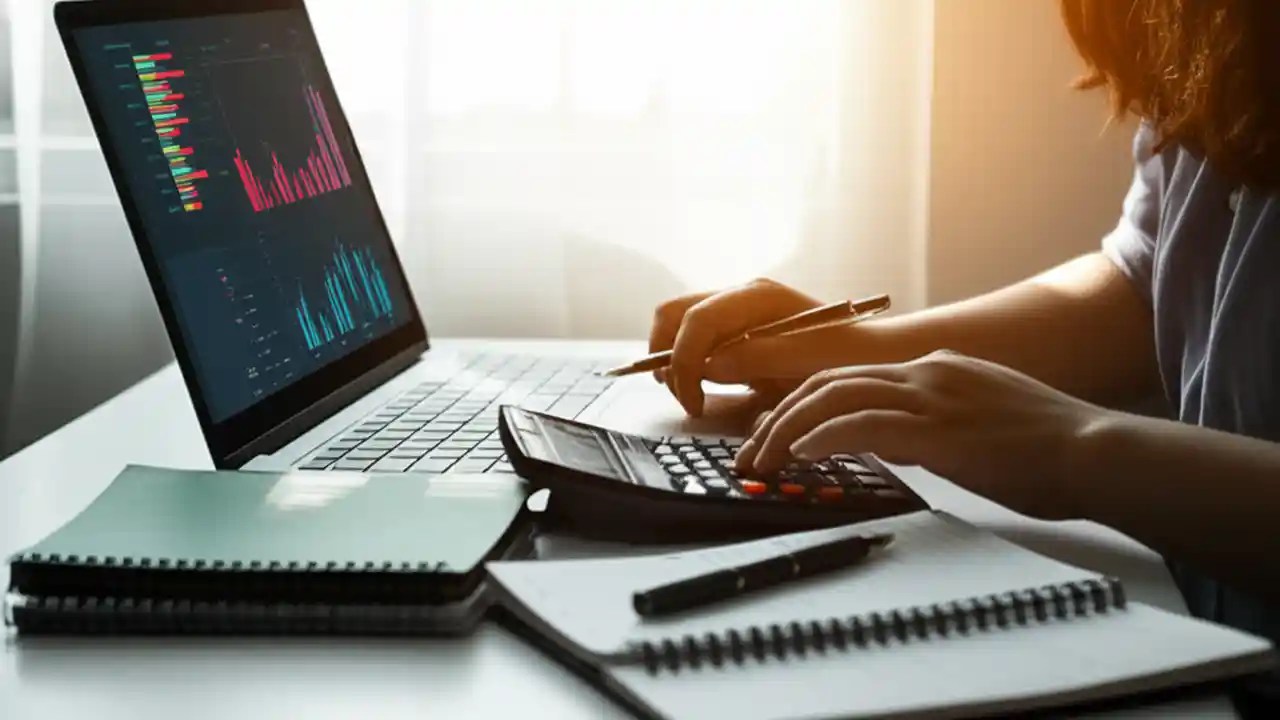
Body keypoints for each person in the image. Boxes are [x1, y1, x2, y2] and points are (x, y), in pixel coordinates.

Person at [648, 0, 1280, 713]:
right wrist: (854, 350)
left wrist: (1076, 451)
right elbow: (1149, 281)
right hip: (1201, 648)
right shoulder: (1208, 25)